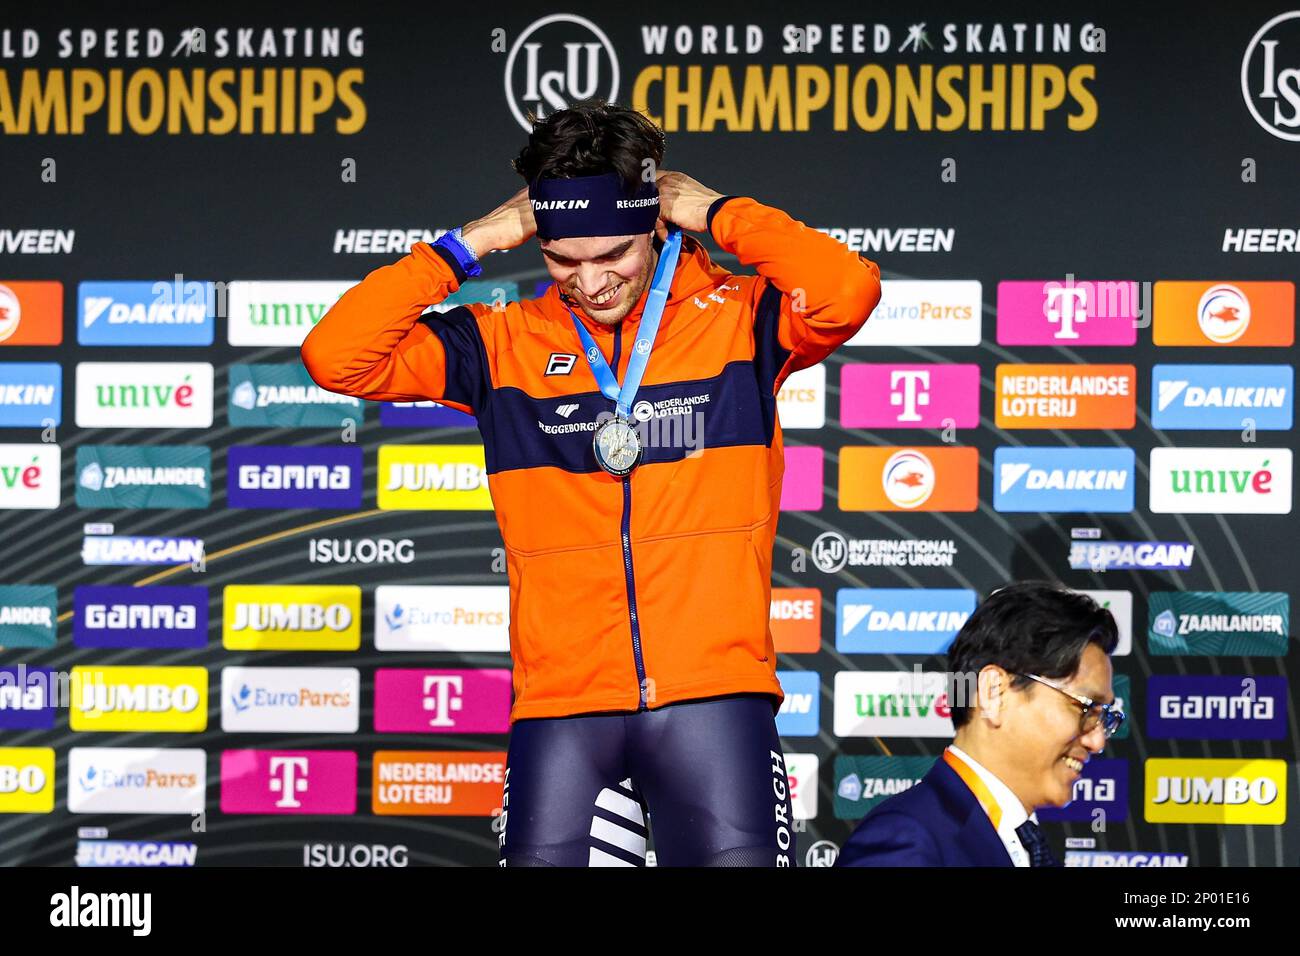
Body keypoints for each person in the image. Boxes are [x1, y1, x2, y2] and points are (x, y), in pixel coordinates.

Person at [301, 99, 882, 866]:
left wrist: (720, 211)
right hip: (561, 710)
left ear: (656, 224)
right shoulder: (502, 342)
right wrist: (475, 242)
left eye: (613, 254)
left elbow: (847, 290)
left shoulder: (740, 319)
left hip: (715, 699)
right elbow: (334, 356)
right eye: (561, 257)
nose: (591, 281)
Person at [837, 581, 1125, 867]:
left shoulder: (1023, 842)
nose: (1096, 741)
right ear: (994, 693)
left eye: (1104, 716)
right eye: (1086, 708)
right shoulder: (905, 839)